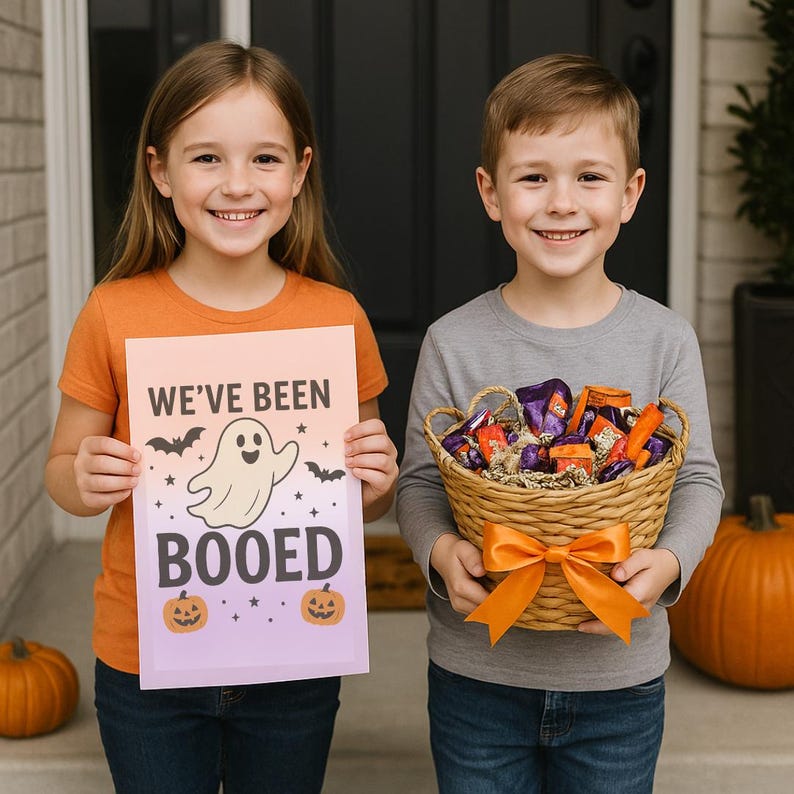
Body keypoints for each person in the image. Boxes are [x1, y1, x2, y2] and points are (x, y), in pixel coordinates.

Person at [45, 40, 398, 794]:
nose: (238, 185)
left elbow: (366, 501)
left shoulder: (336, 320)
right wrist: (84, 475)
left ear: (300, 173)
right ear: (160, 171)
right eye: (207, 158)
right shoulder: (115, 313)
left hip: (293, 660)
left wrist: (375, 480)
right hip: (148, 657)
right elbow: (61, 474)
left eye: (265, 160)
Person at [396, 53, 723, 794]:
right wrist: (441, 553)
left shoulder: (664, 339)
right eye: (533, 176)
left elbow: (698, 479)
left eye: (590, 176)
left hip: (620, 676)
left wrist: (669, 563)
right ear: (491, 192)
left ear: (632, 193)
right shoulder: (455, 341)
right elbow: (419, 485)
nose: (561, 202)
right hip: (477, 672)